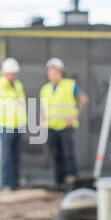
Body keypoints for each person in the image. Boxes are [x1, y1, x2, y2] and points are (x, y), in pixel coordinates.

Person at [38, 58, 88, 190]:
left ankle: (72, 183)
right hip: (52, 126)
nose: (51, 74)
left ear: (61, 72)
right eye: (50, 72)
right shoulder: (45, 89)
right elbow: (43, 107)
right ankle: (59, 183)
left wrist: (76, 115)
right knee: (56, 155)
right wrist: (42, 120)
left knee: (68, 155)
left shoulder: (70, 85)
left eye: (54, 71)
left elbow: (83, 98)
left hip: (66, 126)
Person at [0, 57, 27, 190]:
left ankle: (15, 183)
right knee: (6, 156)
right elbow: (4, 97)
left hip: (18, 124)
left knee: (16, 155)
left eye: (15, 73)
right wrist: (14, 98)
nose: (14, 75)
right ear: (5, 73)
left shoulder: (18, 84)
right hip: (6, 125)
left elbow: (21, 101)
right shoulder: (0, 84)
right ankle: (6, 183)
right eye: (11, 73)